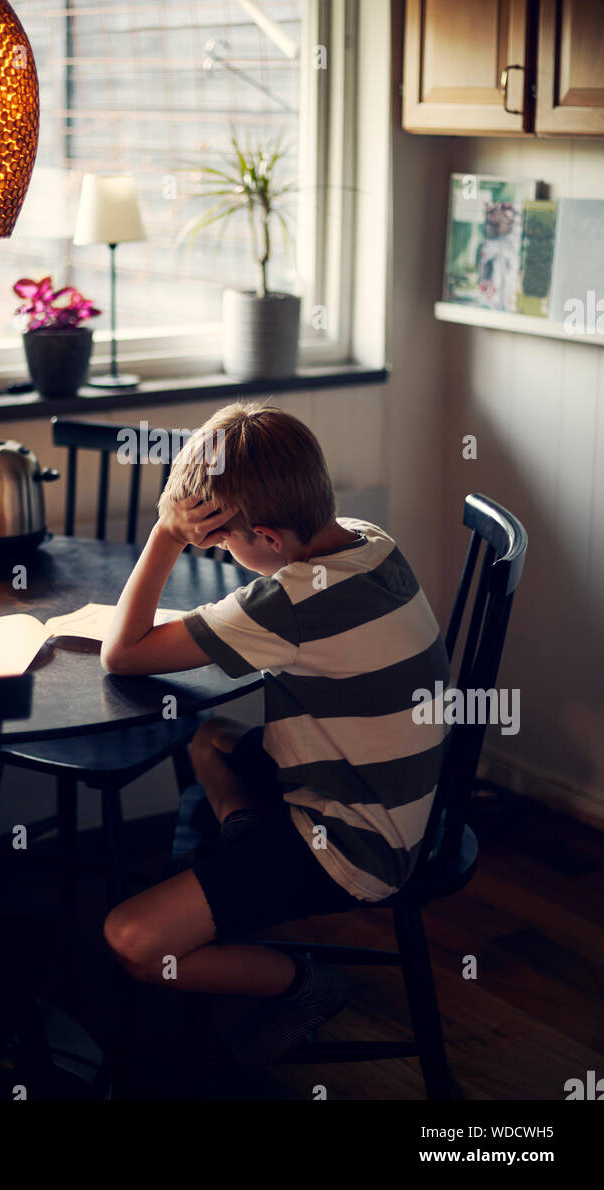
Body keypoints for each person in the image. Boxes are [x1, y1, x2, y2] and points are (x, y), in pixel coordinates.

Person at [100, 402, 450, 1064]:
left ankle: (307, 983)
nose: (223, 555)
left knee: (132, 939)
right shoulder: (370, 541)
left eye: (222, 541)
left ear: (264, 537)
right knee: (210, 740)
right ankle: (243, 842)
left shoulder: (286, 603)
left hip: (355, 847)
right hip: (398, 796)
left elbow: (122, 652)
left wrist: (165, 537)